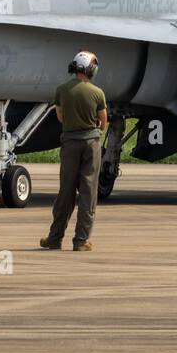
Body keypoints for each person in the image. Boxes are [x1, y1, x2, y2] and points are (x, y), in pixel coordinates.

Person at [40, 50, 108, 251]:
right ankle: (81, 240)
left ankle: (55, 238)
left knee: (66, 191)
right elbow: (103, 121)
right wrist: (94, 126)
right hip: (90, 144)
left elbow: (60, 117)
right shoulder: (97, 93)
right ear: (91, 69)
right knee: (88, 192)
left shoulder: (61, 90)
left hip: (69, 143)